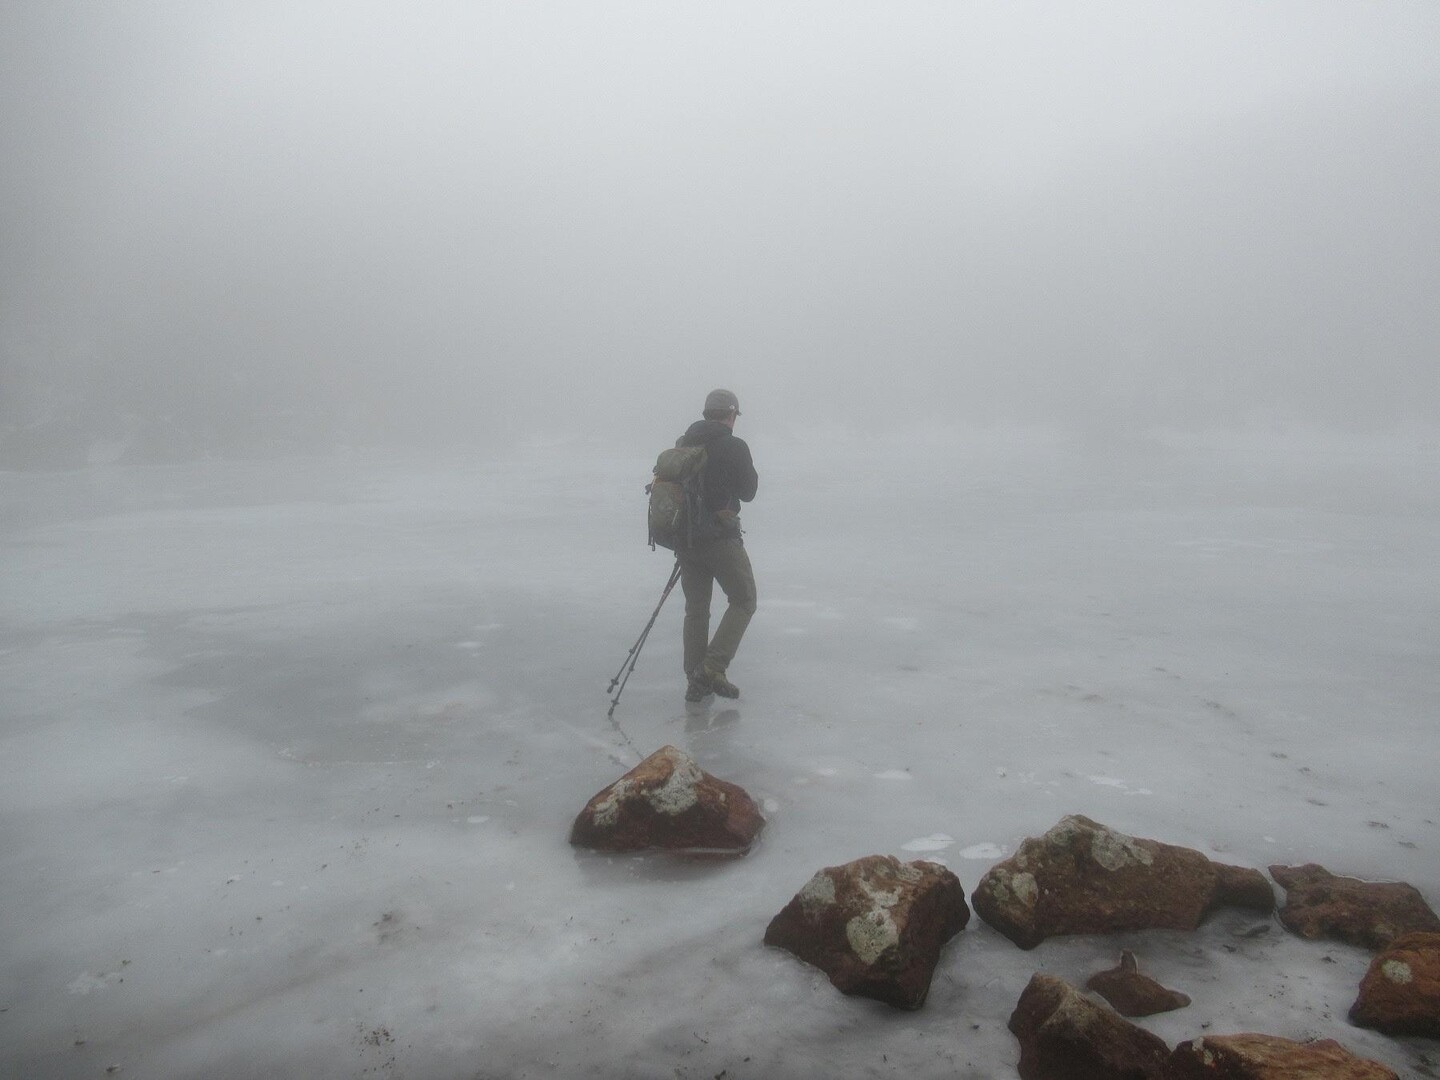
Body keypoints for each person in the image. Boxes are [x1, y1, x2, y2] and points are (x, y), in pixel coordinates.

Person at [677, 389, 758, 702]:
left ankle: (694, 679)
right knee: (744, 599)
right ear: (731, 414)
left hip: (686, 540)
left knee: (696, 609)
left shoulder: (685, 442)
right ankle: (711, 668)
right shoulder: (734, 446)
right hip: (720, 539)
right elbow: (749, 492)